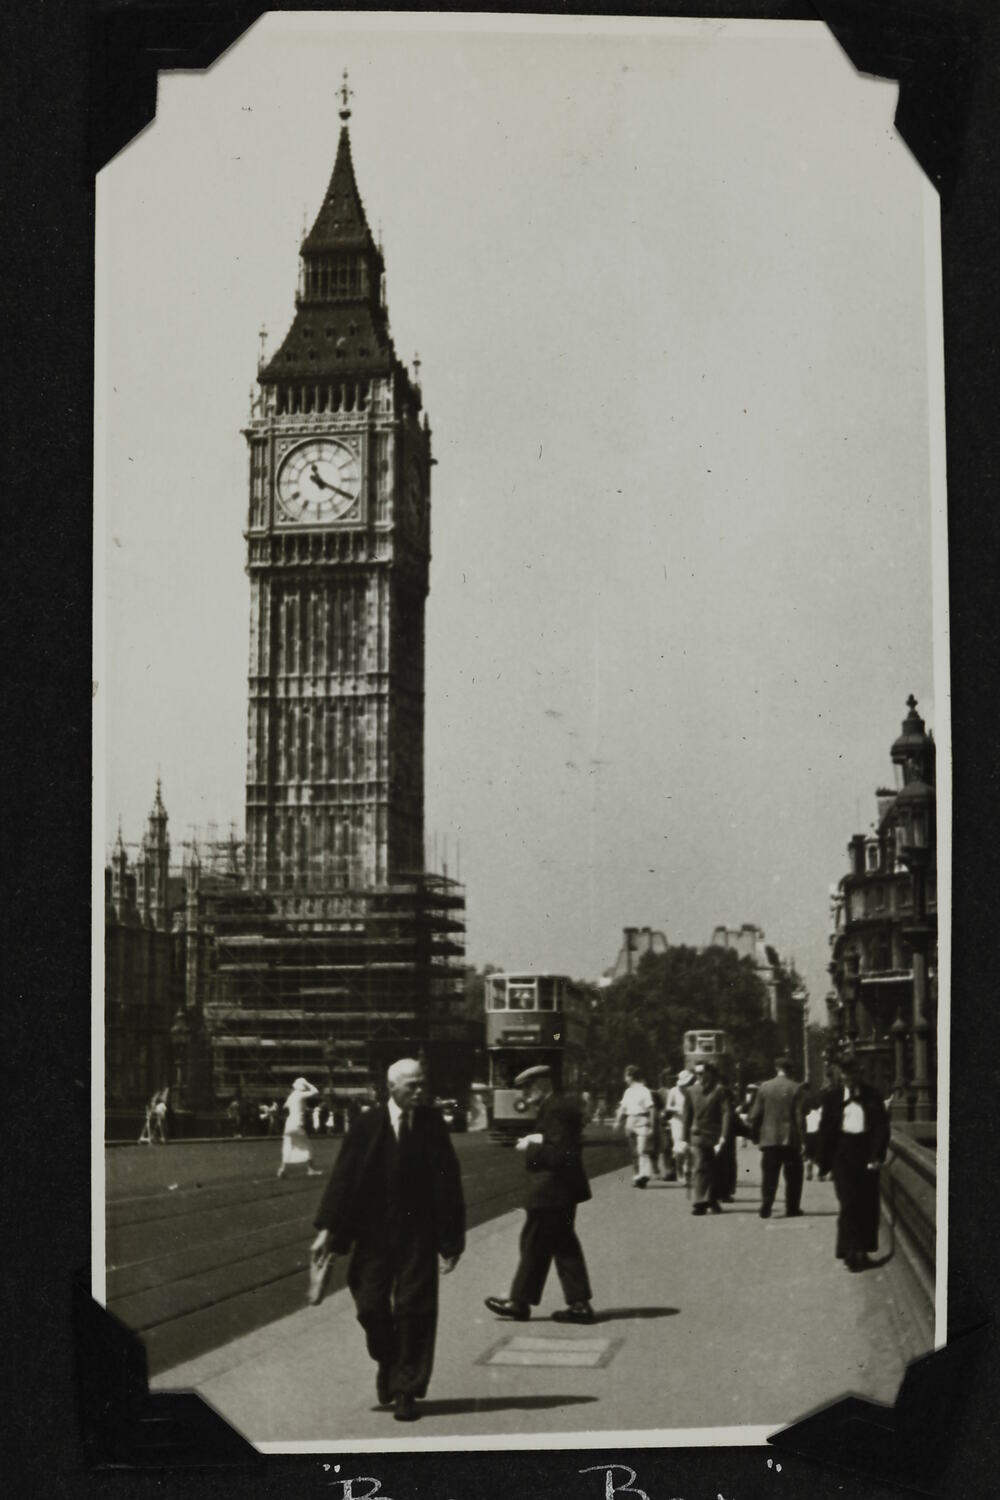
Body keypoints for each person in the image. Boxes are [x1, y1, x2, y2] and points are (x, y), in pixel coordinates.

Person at [310, 1058, 465, 1422]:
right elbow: (343, 1180)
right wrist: (326, 1230)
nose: (419, 1091)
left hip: (418, 1236)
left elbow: (448, 1184)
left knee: (415, 1311)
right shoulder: (367, 1126)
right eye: (411, 1085)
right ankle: (389, 1359)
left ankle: (406, 1389)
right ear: (391, 1088)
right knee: (370, 1306)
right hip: (373, 1236)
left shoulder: (431, 1125)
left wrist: (451, 1242)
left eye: (422, 1084)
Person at [485, 1063, 595, 1324]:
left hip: (552, 1189)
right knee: (561, 1244)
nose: (524, 1095)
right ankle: (578, 1304)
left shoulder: (555, 1108)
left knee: (535, 1242)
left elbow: (561, 1154)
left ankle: (519, 1303)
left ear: (543, 1084)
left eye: (528, 1087)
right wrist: (540, 1139)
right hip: (561, 1189)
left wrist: (531, 1147)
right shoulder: (556, 1105)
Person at [817, 1052, 890, 1272]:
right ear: (840, 1074)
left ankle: (862, 1251)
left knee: (867, 1204)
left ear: (859, 1073)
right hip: (843, 1154)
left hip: (866, 1153)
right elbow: (826, 1131)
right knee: (848, 1203)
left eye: (852, 1072)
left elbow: (880, 1128)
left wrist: (876, 1156)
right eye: (844, 1073)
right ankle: (851, 1251)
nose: (848, 1077)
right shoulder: (832, 1098)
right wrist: (823, 1164)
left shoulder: (872, 1095)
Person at [748, 1054, 805, 1219]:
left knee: (769, 1176)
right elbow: (799, 1116)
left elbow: (755, 1114)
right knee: (793, 1176)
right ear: (790, 1070)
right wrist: (803, 1139)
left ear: (776, 1069)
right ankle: (792, 1207)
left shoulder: (764, 1087)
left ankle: (766, 1205)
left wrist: (755, 1133)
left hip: (769, 1139)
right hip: (790, 1140)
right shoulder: (796, 1088)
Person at [682, 1059, 731, 1215]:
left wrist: (724, 1135)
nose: (699, 1076)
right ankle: (700, 1203)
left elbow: (726, 1113)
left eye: (702, 1073)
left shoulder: (719, 1090)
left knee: (716, 1169)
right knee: (700, 1167)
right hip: (698, 1135)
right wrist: (683, 1139)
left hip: (715, 1136)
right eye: (696, 1073)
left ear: (709, 1073)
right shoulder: (691, 1091)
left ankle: (712, 1199)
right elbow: (686, 1115)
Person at [614, 1064, 656, 1187]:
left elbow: (651, 1109)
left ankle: (645, 1175)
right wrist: (617, 1121)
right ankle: (638, 1177)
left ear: (631, 1076)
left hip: (642, 1120)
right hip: (630, 1121)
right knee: (634, 1152)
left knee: (641, 1150)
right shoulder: (627, 1092)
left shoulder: (644, 1091)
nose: (625, 1079)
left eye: (626, 1076)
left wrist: (652, 1125)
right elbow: (622, 1107)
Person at [277, 1077, 322, 1179]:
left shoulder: (292, 1096)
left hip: (288, 1124)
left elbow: (285, 1107)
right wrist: (307, 1082)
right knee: (307, 1146)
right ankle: (311, 1169)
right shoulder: (301, 1094)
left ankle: (282, 1169)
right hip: (297, 1123)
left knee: (288, 1146)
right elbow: (316, 1091)